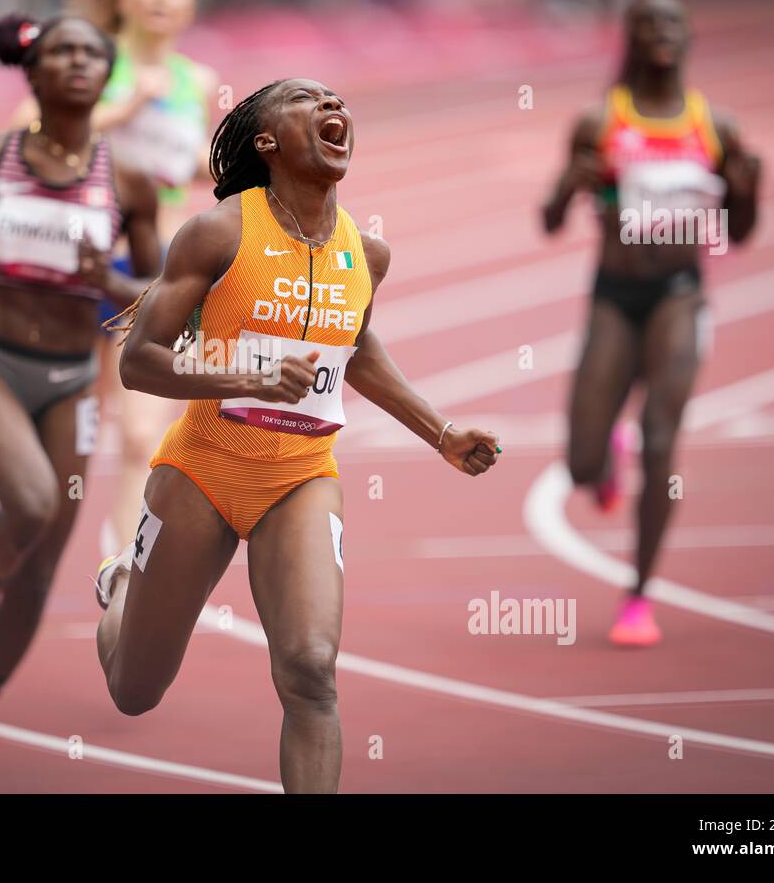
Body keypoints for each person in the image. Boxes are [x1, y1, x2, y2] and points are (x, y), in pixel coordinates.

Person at [93, 78, 500, 793]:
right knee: (135, 692)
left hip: (302, 478)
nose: (332, 108)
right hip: (201, 471)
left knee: (311, 670)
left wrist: (441, 432)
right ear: (267, 141)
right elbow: (138, 360)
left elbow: (359, 352)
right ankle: (126, 578)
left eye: (338, 100)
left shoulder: (366, 253)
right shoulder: (218, 231)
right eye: (307, 101)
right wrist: (244, 377)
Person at [0, 12, 160, 792]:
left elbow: (156, 300)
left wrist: (109, 281)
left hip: (69, 383)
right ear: (33, 72)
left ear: (107, 74)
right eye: (63, 50)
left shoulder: (128, 183)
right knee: (27, 503)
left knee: (43, 568)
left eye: (94, 52)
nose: (79, 62)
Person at [542, 0, 761, 647]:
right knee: (578, 465)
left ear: (689, 36)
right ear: (630, 38)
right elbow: (550, 221)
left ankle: (638, 595)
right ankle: (602, 458)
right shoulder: (598, 121)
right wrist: (568, 185)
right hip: (614, 294)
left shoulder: (715, 127)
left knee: (663, 437)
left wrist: (748, 191)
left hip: (680, 294)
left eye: (672, 22)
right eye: (647, 24)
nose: (661, 33)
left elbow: (742, 231)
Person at [14, 0, 218, 558]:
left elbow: (194, 172)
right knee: (61, 436)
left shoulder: (199, 80)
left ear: (191, 7)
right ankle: (20, 558)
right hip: (75, 265)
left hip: (155, 268)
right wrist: (121, 107)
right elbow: (29, 133)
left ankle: (123, 566)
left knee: (139, 435)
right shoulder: (88, 58)